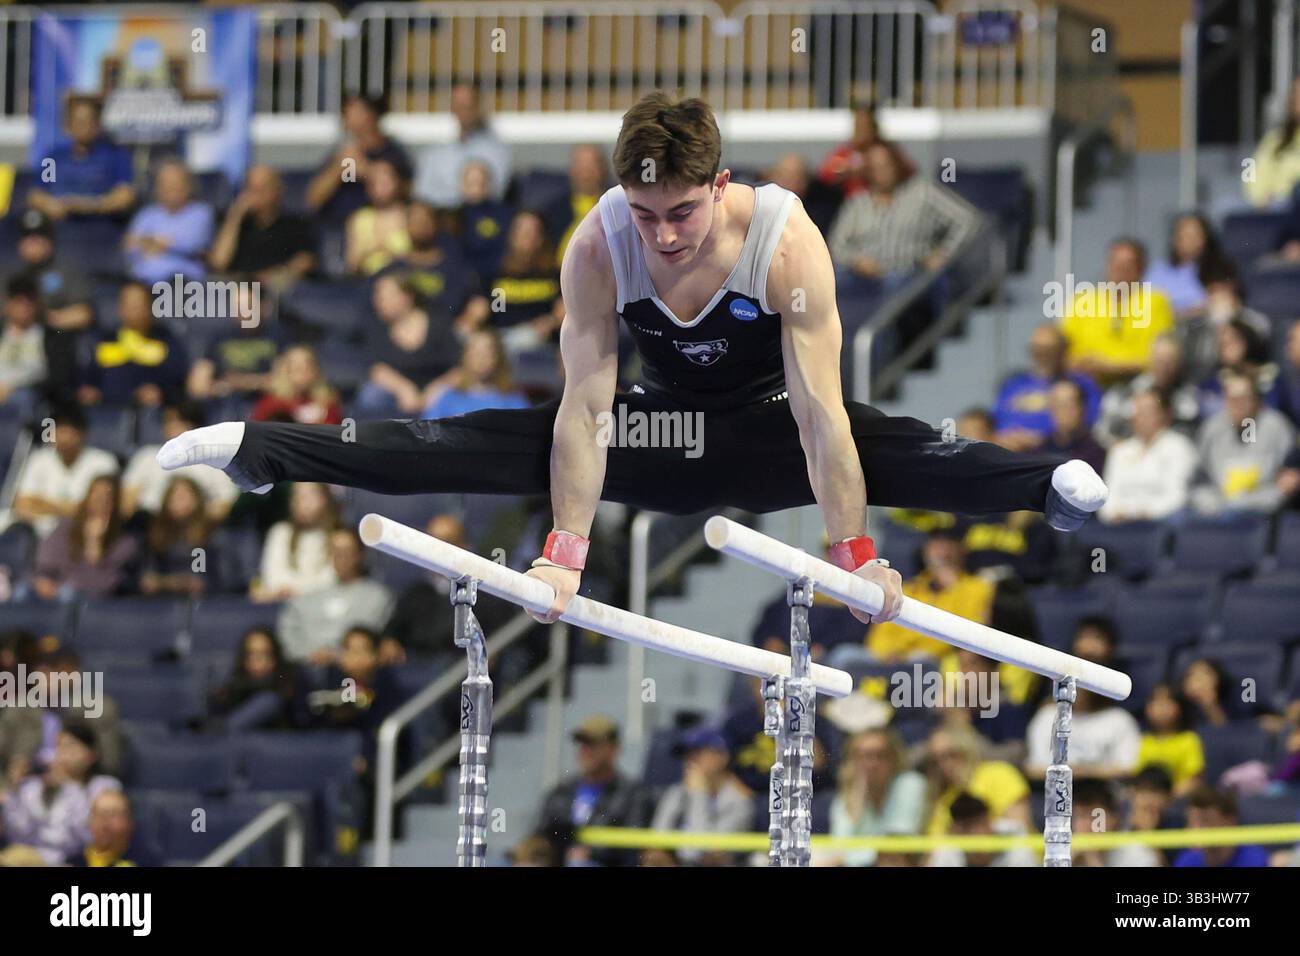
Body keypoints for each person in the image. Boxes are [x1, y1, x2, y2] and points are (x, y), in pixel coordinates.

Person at [160, 92, 1112, 632]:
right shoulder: (596, 245)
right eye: (644, 213)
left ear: (721, 186)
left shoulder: (785, 240)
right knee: (481, 438)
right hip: (664, 432)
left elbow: (823, 416)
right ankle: (266, 451)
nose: (660, 235)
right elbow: (585, 411)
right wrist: (564, 555)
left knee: (894, 443)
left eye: (683, 213)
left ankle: (1050, 490)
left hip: (781, 425)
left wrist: (853, 557)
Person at [827, 140, 979, 309]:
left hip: (910, 273)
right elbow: (837, 245)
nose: (881, 172)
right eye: (875, 167)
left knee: (895, 284)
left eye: (886, 165)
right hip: (863, 276)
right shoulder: (857, 203)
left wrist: (944, 252)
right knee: (831, 281)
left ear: (897, 164)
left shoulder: (922, 193)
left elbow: (967, 220)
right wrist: (857, 260)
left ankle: (880, 334)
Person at [1024, 618, 1141, 781]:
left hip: (1101, 800)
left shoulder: (1119, 721)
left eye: (1097, 638)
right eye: (1085, 637)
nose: (1090, 645)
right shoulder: (1048, 716)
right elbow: (1033, 768)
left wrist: (1081, 773)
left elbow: (1128, 769)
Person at [533, 715, 651, 867]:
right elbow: (539, 834)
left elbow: (632, 843)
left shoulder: (633, 794)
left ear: (613, 749)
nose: (585, 751)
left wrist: (591, 852)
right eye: (582, 744)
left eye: (592, 744)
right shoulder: (561, 791)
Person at [1, 724, 121, 865]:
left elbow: (85, 837)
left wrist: (69, 786)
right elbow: (19, 834)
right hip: (26, 857)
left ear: (91, 755)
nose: (64, 754)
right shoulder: (36, 786)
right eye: (60, 746)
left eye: (71, 746)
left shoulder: (104, 787)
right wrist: (15, 792)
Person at [1061, 238, 1175, 387]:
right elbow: (1066, 354)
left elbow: (1160, 359)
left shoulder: (1156, 302)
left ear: (1141, 269)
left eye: (1128, 265)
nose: (1120, 270)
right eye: (1115, 263)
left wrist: (1112, 367)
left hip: (1138, 385)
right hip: (1087, 385)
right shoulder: (1082, 301)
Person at [867, 528, 994, 661]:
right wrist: (888, 653)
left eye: (948, 545)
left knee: (921, 659)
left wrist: (953, 587)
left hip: (937, 659)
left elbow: (966, 634)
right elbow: (880, 634)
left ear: (960, 551)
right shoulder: (909, 588)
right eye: (936, 544)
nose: (942, 552)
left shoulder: (977, 587)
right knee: (849, 655)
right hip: (892, 658)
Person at [277, 528, 394, 664]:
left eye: (347, 552)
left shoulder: (379, 597)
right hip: (310, 670)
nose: (341, 558)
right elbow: (289, 635)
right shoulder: (307, 598)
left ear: (360, 555)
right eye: (336, 552)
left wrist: (340, 655)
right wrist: (308, 653)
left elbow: (375, 637)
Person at [356, 272, 462, 418]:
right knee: (371, 395)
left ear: (406, 297)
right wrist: (404, 389)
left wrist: (437, 390)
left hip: (436, 392)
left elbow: (459, 369)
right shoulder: (377, 326)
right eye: (377, 297)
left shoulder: (439, 325)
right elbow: (377, 369)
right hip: (397, 397)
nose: (377, 302)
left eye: (384, 297)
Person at [1192, 373, 1295, 515]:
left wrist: (1254, 502)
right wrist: (1215, 506)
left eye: (1243, 399)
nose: (1237, 405)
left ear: (1257, 401)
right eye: (1232, 399)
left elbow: (1289, 481)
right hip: (1220, 514)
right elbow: (1199, 482)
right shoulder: (1213, 428)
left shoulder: (1277, 427)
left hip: (1265, 514)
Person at [10, 405, 119, 538]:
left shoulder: (104, 462)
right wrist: (71, 509)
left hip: (86, 532)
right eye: (58, 430)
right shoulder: (39, 459)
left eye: (68, 431)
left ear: (82, 433)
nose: (63, 437)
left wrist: (43, 504)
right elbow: (22, 503)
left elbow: (102, 509)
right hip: (40, 531)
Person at [78, 281, 189, 409]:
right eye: (127, 303)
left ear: (150, 306)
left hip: (152, 414)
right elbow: (87, 378)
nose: (132, 309)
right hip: (108, 413)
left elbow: (177, 382)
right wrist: (89, 390)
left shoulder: (166, 341)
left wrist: (161, 392)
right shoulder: (104, 341)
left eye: (138, 303)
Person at [121, 401, 238, 522]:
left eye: (179, 421)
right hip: (149, 524)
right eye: (168, 421)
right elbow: (127, 500)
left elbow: (226, 502)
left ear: (195, 425)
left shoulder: (214, 462)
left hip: (196, 525)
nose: (171, 426)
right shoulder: (146, 456)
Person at [651, 726, 753, 865]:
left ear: (722, 756)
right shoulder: (676, 792)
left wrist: (698, 795)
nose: (690, 760)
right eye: (687, 754)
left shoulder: (739, 801)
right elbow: (656, 843)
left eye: (698, 752)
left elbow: (706, 851)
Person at [208, 164, 317, 293]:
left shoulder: (295, 223)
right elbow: (218, 263)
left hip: (277, 288)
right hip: (238, 287)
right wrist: (235, 216)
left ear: (277, 191)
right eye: (250, 188)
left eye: (262, 188)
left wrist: (279, 275)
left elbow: (306, 261)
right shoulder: (231, 221)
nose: (256, 194)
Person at [25, 98, 136, 224]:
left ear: (97, 125)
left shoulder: (115, 156)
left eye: (88, 121)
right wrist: (52, 205)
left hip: (100, 227)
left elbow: (125, 196)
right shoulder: (54, 159)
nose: (83, 127)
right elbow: (37, 194)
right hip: (59, 227)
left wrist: (91, 206)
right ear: (68, 125)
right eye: (78, 122)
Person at [993, 323, 1102, 452]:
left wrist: (1040, 440)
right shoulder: (1013, 384)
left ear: (1063, 350)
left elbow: (1088, 425)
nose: (1042, 355)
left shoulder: (1082, 384)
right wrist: (1005, 438)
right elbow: (995, 422)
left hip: (1056, 455)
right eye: (1037, 349)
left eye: (1049, 349)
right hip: (1009, 453)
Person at [306, 93, 414, 222]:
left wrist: (368, 172)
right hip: (339, 226)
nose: (345, 117)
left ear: (371, 115)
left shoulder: (391, 152)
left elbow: (409, 192)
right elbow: (312, 200)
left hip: (379, 225)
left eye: (354, 111)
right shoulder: (344, 153)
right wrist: (339, 168)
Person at [828, 728, 927, 866]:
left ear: (894, 759)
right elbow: (838, 847)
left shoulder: (910, 784)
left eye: (880, 755)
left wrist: (845, 859)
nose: (871, 764)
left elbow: (895, 848)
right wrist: (857, 797)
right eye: (862, 756)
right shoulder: (845, 797)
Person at [31, 474, 139, 601]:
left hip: (89, 602)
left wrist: (93, 543)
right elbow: (46, 563)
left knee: (68, 594)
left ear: (115, 502)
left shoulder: (125, 542)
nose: (100, 500)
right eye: (95, 493)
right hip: (55, 590)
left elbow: (102, 586)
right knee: (23, 592)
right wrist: (44, 580)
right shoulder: (66, 528)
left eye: (107, 496)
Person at [1098, 389, 1198, 523]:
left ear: (1164, 415)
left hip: (1161, 525)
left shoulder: (1179, 447)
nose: (1139, 417)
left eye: (1147, 412)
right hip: (1121, 526)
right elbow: (1107, 498)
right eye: (1136, 411)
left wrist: (1145, 513)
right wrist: (1117, 513)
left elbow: (1178, 497)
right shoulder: (1120, 450)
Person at [1094, 333, 1203, 447]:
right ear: (1150, 359)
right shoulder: (1127, 391)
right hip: (1129, 455)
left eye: (1169, 360)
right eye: (1159, 359)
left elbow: (1189, 441)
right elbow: (1102, 431)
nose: (1163, 366)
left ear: (1178, 364)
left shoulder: (1188, 399)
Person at [414, 84, 512, 210]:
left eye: (468, 106)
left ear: (478, 108)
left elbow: (495, 192)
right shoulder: (434, 153)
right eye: (459, 106)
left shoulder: (498, 151)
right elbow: (422, 193)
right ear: (452, 109)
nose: (464, 111)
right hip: (440, 220)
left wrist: (444, 198)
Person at [923, 724, 1030, 837]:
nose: (944, 765)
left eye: (951, 754)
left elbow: (1020, 829)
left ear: (966, 750)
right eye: (936, 760)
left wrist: (973, 829)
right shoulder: (943, 801)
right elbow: (935, 847)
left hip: (1008, 851)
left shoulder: (998, 774)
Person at [123, 159, 214, 284]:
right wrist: (162, 242)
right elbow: (130, 246)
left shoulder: (201, 213)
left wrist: (149, 243)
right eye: (165, 184)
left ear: (189, 187)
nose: (170, 189)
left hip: (182, 283)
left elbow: (191, 244)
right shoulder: (146, 214)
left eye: (176, 184)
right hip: (144, 282)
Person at [251, 481, 340, 603]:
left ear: (326, 498)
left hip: (326, 604)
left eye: (309, 495)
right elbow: (272, 576)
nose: (302, 502)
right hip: (282, 605)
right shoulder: (280, 532)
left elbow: (332, 579)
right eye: (298, 495)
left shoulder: (338, 536)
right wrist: (283, 590)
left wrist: (295, 591)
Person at [8, 208, 94, 333]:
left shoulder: (66, 269)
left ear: (50, 241)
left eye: (38, 236)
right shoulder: (10, 273)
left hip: (56, 338)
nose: (33, 243)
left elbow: (84, 314)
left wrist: (45, 319)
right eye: (27, 236)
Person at [420, 328, 529, 420]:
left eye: (488, 352)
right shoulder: (448, 398)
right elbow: (426, 433)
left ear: (497, 358)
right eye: (475, 352)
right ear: (465, 356)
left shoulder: (511, 398)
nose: (481, 358)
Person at [207, 627, 302, 731]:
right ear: (243, 659)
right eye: (251, 654)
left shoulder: (288, 689)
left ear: (275, 658)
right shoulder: (234, 686)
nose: (258, 660)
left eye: (265, 654)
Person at [138, 476, 218, 598]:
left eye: (184, 496)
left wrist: (164, 582)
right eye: (175, 497)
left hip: (199, 606)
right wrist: (178, 583)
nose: (179, 501)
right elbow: (148, 580)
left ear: (197, 500)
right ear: (166, 501)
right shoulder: (156, 534)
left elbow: (198, 580)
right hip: (159, 605)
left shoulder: (206, 536)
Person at [1144, 212, 1231, 318]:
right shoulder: (1158, 271)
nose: (1191, 241)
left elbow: (1223, 306)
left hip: (1202, 327)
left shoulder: (1218, 269)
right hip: (1165, 327)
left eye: (1196, 235)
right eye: (1186, 235)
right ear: (1175, 239)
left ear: (1205, 239)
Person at [927, 792, 1037, 867]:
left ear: (989, 822)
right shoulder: (946, 853)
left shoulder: (1017, 849)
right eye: (966, 828)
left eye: (980, 824)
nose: (976, 833)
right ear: (955, 831)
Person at [1070, 778, 1160, 867]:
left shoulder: (1138, 855)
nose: (1087, 825)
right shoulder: (1064, 854)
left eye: (1095, 816)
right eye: (1081, 816)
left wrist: (1094, 862)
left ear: (1114, 818)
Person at [345, 157, 412, 277]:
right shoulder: (359, 218)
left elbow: (424, 258)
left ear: (398, 182)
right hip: (367, 282)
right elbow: (352, 265)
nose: (379, 187)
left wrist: (388, 254)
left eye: (385, 181)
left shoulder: (411, 216)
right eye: (373, 182)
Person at [1173, 785, 1270, 866]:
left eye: (1205, 820)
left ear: (1230, 822)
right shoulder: (1187, 860)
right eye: (1191, 821)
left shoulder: (1253, 858)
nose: (1195, 828)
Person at [1136, 683, 1205, 796]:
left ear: (1179, 707)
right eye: (1155, 702)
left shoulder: (1188, 740)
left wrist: (1166, 797)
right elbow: (1135, 777)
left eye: (1167, 702)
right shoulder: (1142, 741)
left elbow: (1194, 780)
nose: (1161, 708)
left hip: (1177, 800)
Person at [818, 99, 895, 199]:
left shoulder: (885, 152)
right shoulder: (845, 153)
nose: (861, 131)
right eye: (858, 126)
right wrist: (845, 171)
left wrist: (871, 169)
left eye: (865, 126)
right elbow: (825, 175)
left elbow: (906, 173)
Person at [547, 144, 613, 261]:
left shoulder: (616, 208)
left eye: (591, 166)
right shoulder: (552, 212)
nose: (586, 173)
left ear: (603, 170)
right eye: (581, 166)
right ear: (571, 171)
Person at [250, 345, 342, 427]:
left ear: (316, 371)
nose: (303, 374)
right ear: (284, 371)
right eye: (297, 368)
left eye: (307, 368)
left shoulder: (327, 402)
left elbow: (336, 436)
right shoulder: (271, 404)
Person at [1244, 77, 1300, 208]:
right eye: (1296, 94)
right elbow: (1249, 169)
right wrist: (1258, 198)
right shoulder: (1274, 140)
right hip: (1280, 210)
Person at [0, 276, 49, 420]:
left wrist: (10, 386)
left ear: (37, 305)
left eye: (29, 303)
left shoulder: (50, 336)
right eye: (18, 302)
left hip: (27, 392)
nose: (23, 308)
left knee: (25, 398)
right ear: (8, 304)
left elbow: (51, 375)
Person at [456, 159, 513, 282]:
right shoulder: (454, 217)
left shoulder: (505, 213)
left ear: (489, 184)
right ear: (462, 185)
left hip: (502, 275)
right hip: (467, 277)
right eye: (472, 183)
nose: (477, 188)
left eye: (481, 182)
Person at [1040, 379, 1107, 477]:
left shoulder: (1097, 453)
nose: (1064, 412)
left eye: (1069, 405)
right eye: (1058, 405)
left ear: (1082, 408)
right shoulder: (1038, 452)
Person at [80, 789, 151, 867]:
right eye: (99, 814)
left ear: (129, 823)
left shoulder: (145, 861)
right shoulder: (75, 861)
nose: (105, 822)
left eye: (113, 815)